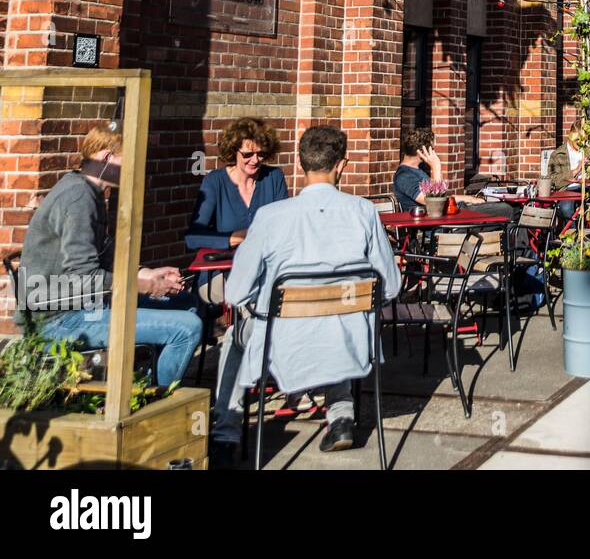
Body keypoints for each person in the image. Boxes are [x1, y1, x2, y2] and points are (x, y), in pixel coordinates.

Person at [209, 125, 401, 467]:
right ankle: (341, 418)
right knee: (339, 320)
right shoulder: (365, 212)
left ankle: (226, 433)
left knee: (233, 340)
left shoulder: (270, 217)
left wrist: (260, 297)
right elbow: (390, 286)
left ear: (301, 164)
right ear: (341, 166)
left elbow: (236, 291)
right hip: (349, 339)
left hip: (282, 339)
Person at [19, 123, 203, 388]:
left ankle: (140, 383)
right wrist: (144, 286)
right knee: (187, 328)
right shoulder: (77, 198)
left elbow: (104, 254)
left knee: (186, 303)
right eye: (126, 161)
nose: (131, 170)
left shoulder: (89, 191)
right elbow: (83, 275)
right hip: (58, 320)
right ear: (106, 157)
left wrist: (147, 273)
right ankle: (151, 408)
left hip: (81, 308)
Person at [187, 117, 289, 306]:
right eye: (248, 154)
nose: (255, 160)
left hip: (265, 267)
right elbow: (193, 238)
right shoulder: (215, 181)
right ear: (234, 151)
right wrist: (235, 237)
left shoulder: (274, 177)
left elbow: (285, 227)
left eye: (261, 154)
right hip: (224, 271)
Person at [393, 127, 515, 217]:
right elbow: (435, 203)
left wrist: (468, 198)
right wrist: (436, 167)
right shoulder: (404, 176)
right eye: (433, 149)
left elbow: (442, 196)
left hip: (452, 214)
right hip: (439, 226)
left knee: (513, 209)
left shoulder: (417, 171)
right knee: (507, 209)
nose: (434, 153)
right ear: (423, 151)